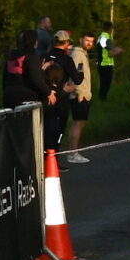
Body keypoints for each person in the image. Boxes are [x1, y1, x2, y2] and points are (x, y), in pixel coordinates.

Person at [59, 27, 93, 164]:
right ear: (81, 40)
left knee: (80, 122)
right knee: (78, 123)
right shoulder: (78, 54)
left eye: (91, 41)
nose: (89, 43)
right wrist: (79, 92)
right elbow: (75, 74)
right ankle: (73, 153)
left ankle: (73, 152)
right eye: (87, 40)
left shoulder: (82, 54)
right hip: (80, 95)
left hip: (84, 93)